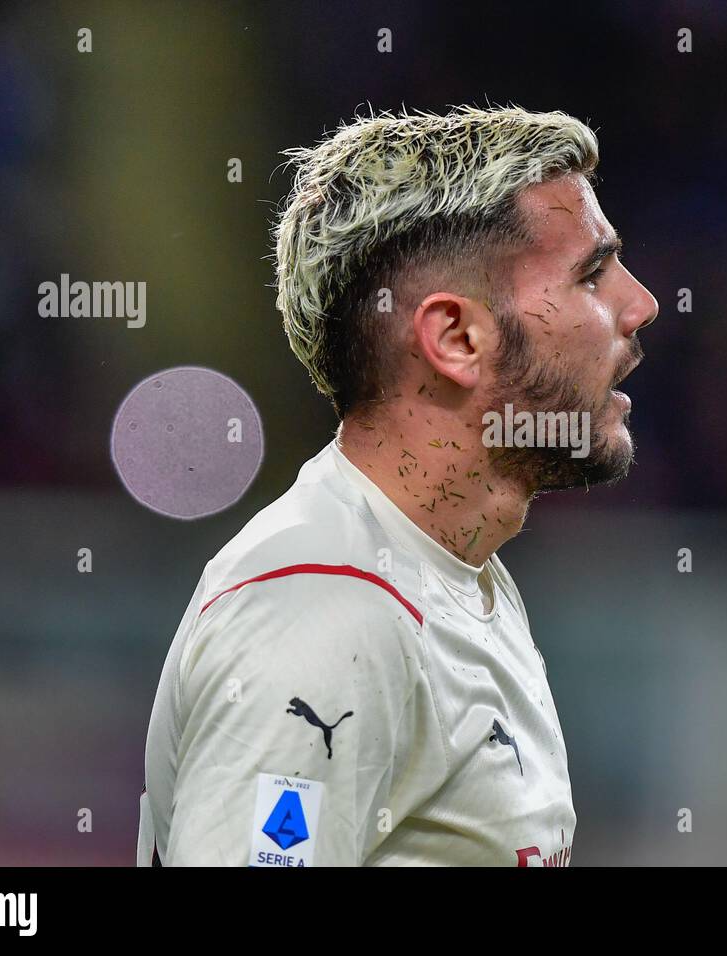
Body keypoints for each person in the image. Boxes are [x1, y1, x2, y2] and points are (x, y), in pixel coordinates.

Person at [138, 104, 658, 866]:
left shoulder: (453, 573)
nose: (639, 304)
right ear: (455, 338)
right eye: (591, 273)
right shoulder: (326, 617)